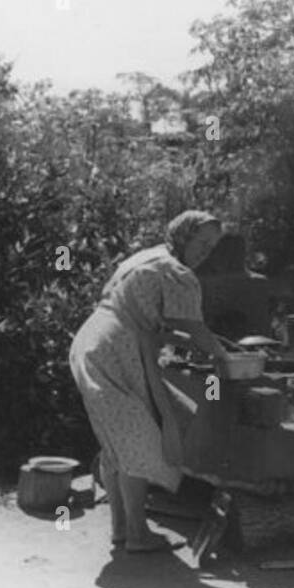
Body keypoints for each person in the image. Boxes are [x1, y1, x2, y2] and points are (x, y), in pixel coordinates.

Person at [69, 210, 231, 552]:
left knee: (115, 444)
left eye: (212, 247)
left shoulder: (147, 257)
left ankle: (122, 530)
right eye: (201, 242)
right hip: (114, 349)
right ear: (184, 236)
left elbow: (162, 327)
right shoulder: (176, 271)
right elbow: (192, 327)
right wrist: (224, 355)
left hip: (93, 341)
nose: (205, 251)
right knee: (137, 440)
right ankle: (138, 535)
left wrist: (206, 345)